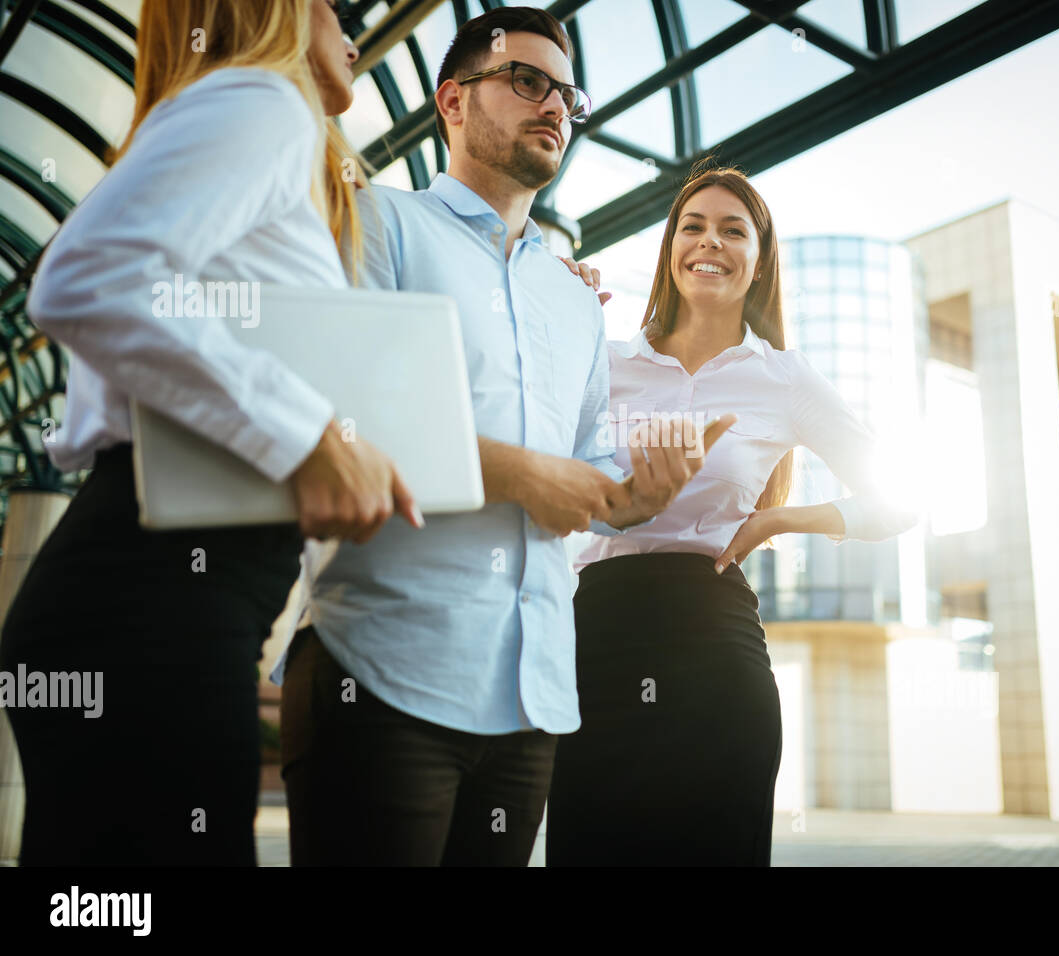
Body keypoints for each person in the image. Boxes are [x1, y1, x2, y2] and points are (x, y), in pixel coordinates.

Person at [277, 5, 732, 867]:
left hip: (531, 702)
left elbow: (593, 478)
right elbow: (336, 422)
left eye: (566, 93)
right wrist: (525, 475)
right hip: (380, 672)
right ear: (452, 101)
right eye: (525, 81)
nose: (553, 105)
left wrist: (641, 494)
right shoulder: (377, 224)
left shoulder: (573, 299)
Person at [0, 0, 418, 867]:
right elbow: (84, 279)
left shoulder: (244, 118)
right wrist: (309, 437)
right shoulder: (265, 103)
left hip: (145, 607)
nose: (352, 31)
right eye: (334, 5)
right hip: (153, 615)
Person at [545, 165, 923, 866]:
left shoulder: (783, 377)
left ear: (758, 261)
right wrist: (553, 310)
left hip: (714, 650)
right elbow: (527, 449)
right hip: (595, 636)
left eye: (731, 229)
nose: (708, 242)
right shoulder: (605, 363)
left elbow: (899, 497)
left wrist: (776, 523)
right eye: (692, 227)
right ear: (669, 252)